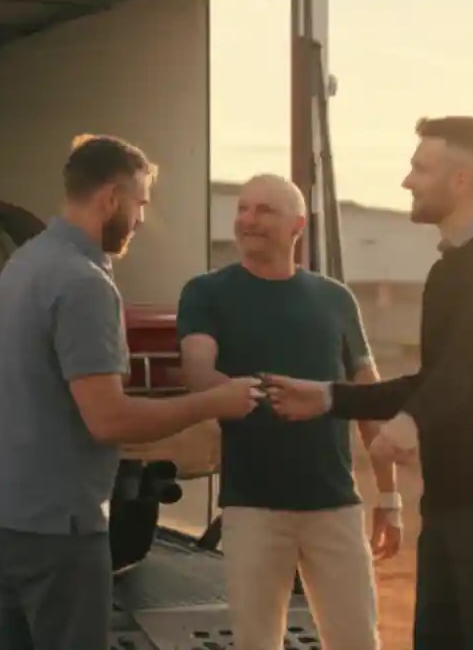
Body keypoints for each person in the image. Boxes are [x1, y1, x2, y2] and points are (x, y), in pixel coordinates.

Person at [263, 116, 473, 650]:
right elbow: (434, 378)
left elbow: (467, 366)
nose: (407, 181)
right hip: (451, 502)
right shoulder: (450, 271)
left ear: (461, 180)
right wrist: (329, 397)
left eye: (421, 168)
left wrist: (409, 422)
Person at [0, 133, 263, 649]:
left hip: (7, 512)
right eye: (141, 202)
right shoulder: (82, 282)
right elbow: (108, 420)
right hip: (58, 524)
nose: (143, 218)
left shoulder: (26, 262)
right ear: (111, 198)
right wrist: (213, 404)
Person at [175, 173, 401, 650]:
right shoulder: (206, 293)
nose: (248, 220)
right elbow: (199, 372)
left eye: (264, 211)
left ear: (298, 224)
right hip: (253, 508)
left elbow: (369, 398)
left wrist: (390, 495)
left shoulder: (336, 299)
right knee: (258, 643)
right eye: (243, 209)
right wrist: (266, 397)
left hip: (335, 506)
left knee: (358, 642)